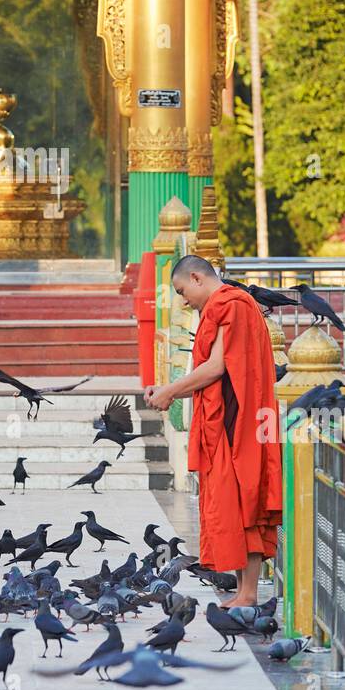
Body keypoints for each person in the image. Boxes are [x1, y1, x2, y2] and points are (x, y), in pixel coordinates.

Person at [145, 255, 282, 608]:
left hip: (241, 422)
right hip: (227, 420)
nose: (182, 300)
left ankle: (249, 593)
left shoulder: (232, 305)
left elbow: (217, 367)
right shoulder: (221, 307)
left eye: (182, 291)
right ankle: (241, 590)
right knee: (230, 503)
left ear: (196, 277)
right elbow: (212, 371)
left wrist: (171, 390)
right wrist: (166, 388)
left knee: (245, 501)